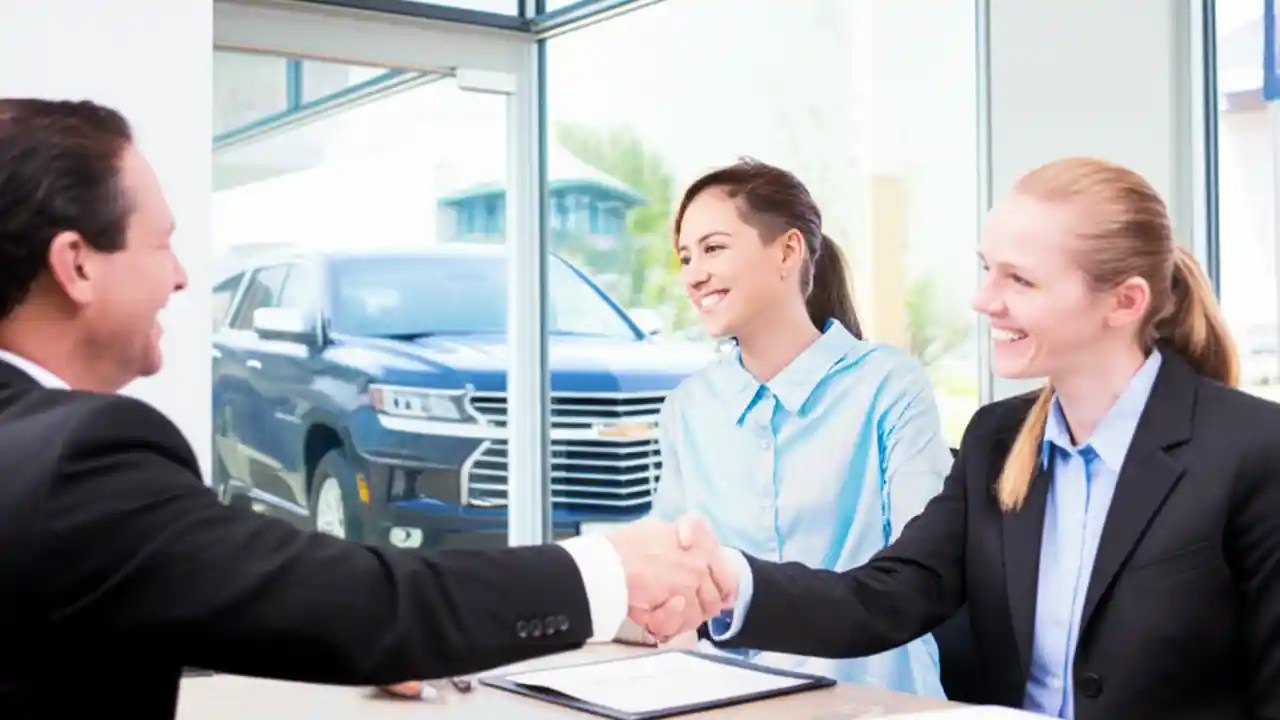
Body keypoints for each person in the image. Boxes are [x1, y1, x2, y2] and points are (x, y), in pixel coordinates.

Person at [0, 98, 730, 719]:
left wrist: (339, 632)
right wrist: (608, 572)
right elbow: (367, 601)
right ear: (77, 263)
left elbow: (77, 615)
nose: (184, 276)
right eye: (161, 243)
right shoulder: (78, 458)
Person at [661, 157, 1280, 720]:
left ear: (1124, 302)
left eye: (1020, 281)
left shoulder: (1252, 452)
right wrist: (731, 582)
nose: (984, 301)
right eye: (988, 271)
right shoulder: (997, 439)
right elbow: (887, 596)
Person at [634, 158, 949, 698]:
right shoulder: (689, 407)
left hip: (874, 698)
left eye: (713, 248)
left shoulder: (888, 384)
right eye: (685, 257)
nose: (693, 274)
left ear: (787, 250)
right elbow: (671, 566)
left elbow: (922, 568)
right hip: (726, 699)